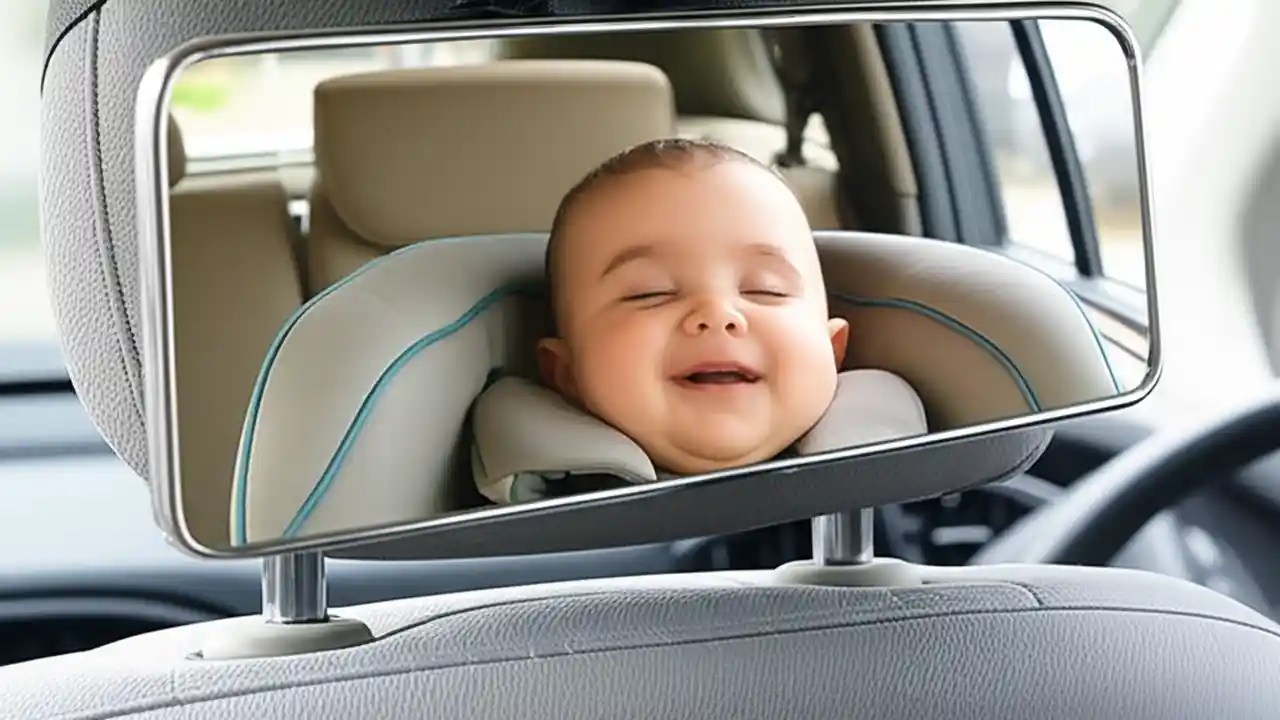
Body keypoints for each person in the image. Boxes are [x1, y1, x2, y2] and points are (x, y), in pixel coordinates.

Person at [535, 137, 850, 475]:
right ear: (567, 374)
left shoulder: (897, 498)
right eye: (650, 293)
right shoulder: (527, 521)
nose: (717, 313)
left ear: (832, 349)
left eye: (766, 289)